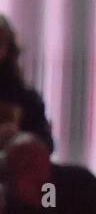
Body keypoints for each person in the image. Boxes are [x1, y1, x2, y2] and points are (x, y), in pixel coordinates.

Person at [0, 15, 56, 153]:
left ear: (8, 49)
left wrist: (20, 138)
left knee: (80, 175)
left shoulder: (24, 96)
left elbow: (46, 144)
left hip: (14, 166)